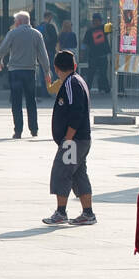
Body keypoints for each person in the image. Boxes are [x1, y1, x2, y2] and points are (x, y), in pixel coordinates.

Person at [42, 51, 96, 226]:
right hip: (81, 140)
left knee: (61, 172)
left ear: (56, 68)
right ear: (74, 66)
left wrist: (67, 139)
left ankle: (61, 212)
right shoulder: (77, 81)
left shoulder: (71, 84)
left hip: (74, 141)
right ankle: (88, 213)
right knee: (78, 174)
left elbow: (76, 111)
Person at [0, 11, 53, 139]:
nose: (14, 23)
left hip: (15, 72)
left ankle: (18, 131)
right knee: (31, 101)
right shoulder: (37, 34)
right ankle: (34, 129)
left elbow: (2, 49)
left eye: (15, 21)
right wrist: (47, 71)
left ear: (19, 22)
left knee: (16, 102)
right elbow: (43, 54)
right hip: (30, 71)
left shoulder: (12, 33)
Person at [84, 14, 111, 94]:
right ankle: (88, 88)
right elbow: (85, 43)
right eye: (95, 21)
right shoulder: (90, 31)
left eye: (97, 21)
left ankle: (104, 88)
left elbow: (111, 28)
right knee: (92, 73)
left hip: (100, 55)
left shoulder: (102, 28)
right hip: (94, 56)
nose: (96, 22)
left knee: (101, 73)